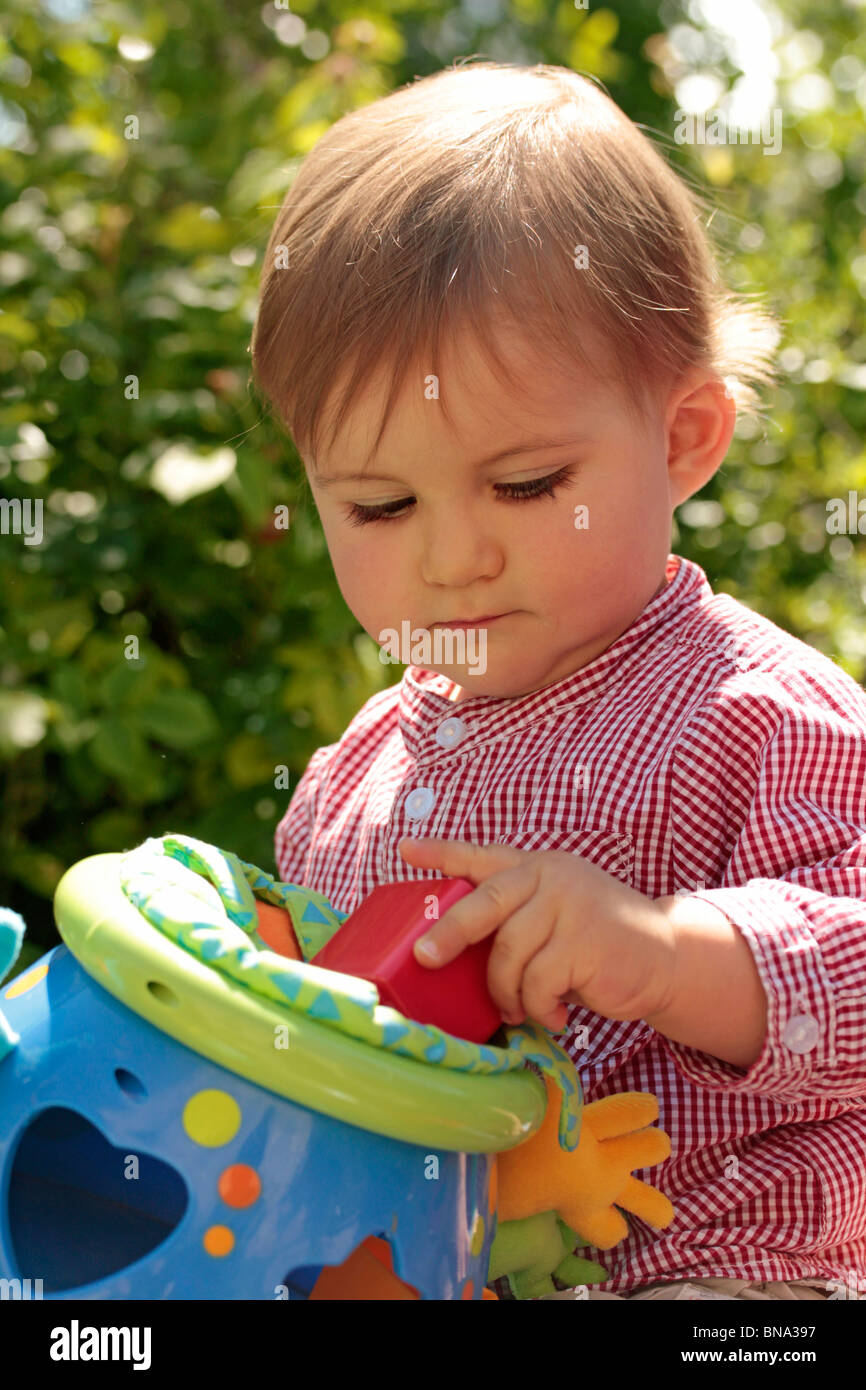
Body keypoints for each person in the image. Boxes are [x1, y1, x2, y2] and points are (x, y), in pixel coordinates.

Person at [249, 62, 866, 1301]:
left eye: (525, 485)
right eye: (378, 504)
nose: (451, 554)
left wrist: (659, 951)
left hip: (724, 1280)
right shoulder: (350, 782)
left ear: (682, 437)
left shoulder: (754, 716)